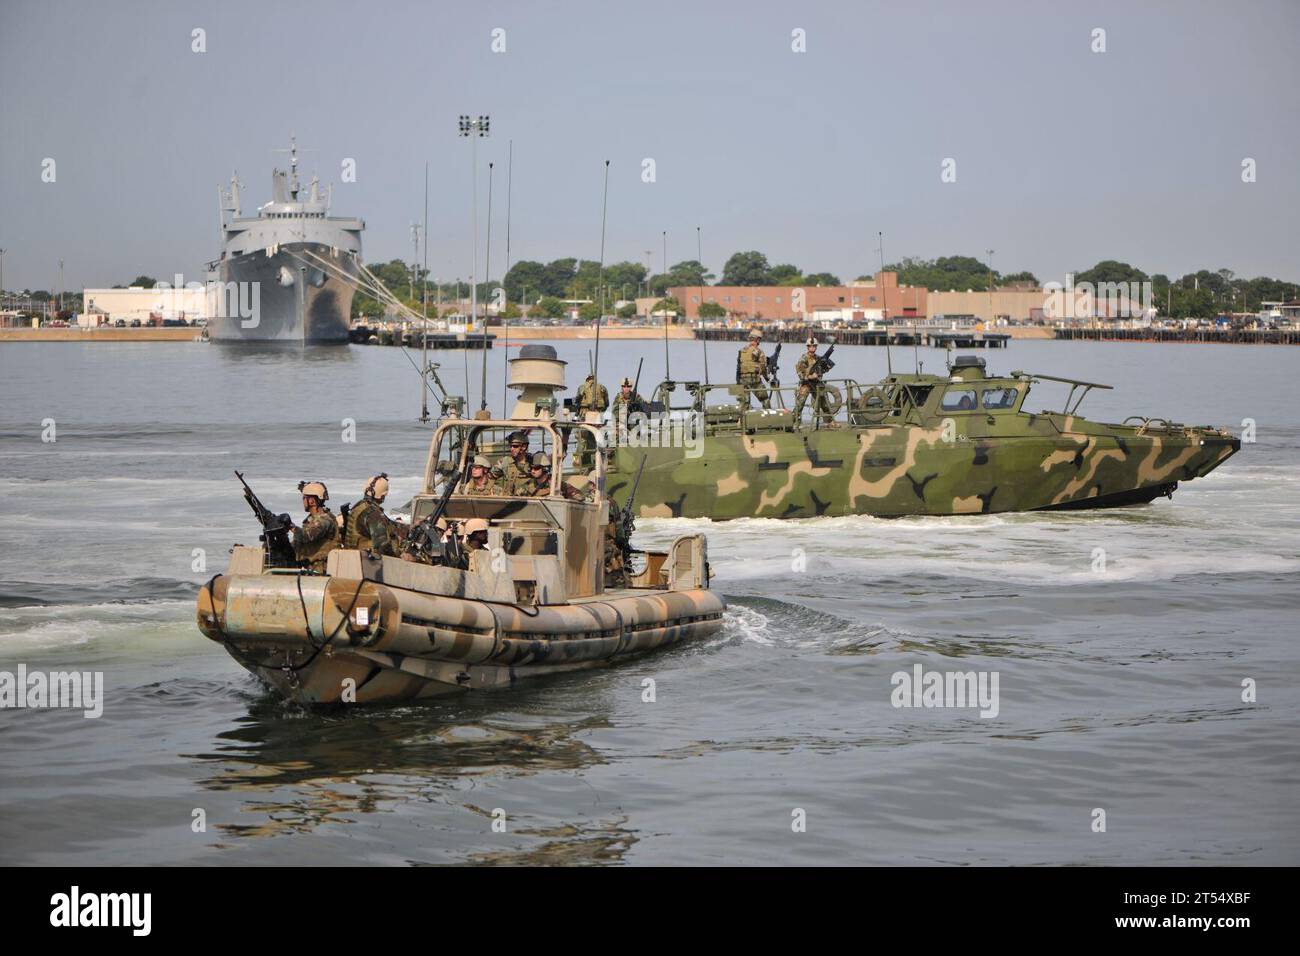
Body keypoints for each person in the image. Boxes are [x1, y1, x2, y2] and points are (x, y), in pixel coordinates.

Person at [342, 473, 403, 556]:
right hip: (367, 561)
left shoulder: (358, 506)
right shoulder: (373, 514)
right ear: (382, 496)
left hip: (352, 556)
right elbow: (382, 546)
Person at [290, 480, 339, 572]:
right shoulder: (312, 519)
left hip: (321, 570)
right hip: (311, 568)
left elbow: (306, 535)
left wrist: (290, 526)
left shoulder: (324, 520)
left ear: (312, 501)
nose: (303, 501)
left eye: (304, 498)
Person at [793, 337, 832, 425]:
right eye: (811, 346)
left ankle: (830, 421)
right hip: (806, 384)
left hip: (817, 384)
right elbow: (800, 373)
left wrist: (826, 367)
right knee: (800, 404)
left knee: (824, 403)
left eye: (814, 346)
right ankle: (792, 421)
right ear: (808, 347)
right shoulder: (804, 358)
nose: (813, 348)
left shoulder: (818, 358)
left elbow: (822, 371)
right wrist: (810, 376)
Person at [574, 373, 609, 468]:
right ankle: (599, 462)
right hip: (598, 416)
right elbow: (606, 403)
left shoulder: (582, 387)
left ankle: (577, 462)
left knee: (582, 439)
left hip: (584, 416)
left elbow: (576, 401)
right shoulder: (602, 388)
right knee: (597, 438)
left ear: (587, 379)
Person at [736, 329, 771, 409]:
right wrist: (767, 378)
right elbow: (762, 368)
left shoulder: (742, 351)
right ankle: (768, 417)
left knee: (744, 403)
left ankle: (742, 420)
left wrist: (738, 381)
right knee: (765, 399)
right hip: (754, 379)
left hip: (742, 380)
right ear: (757, 339)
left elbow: (738, 366)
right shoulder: (759, 351)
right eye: (760, 339)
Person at [494, 430, 532, 494]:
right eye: (510, 446)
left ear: (524, 447)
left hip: (529, 500)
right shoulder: (505, 461)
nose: (511, 449)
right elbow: (490, 477)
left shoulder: (533, 462)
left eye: (515, 446)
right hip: (508, 499)